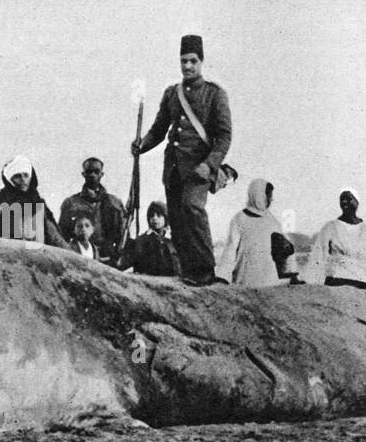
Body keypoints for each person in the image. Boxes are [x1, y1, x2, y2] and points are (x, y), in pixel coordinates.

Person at [131, 34, 232, 285]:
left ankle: (205, 269)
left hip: (198, 168)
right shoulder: (171, 94)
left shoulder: (214, 94)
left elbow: (224, 137)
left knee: (193, 209)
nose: (187, 66)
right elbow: (159, 129)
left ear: (201, 62)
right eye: (183, 61)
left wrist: (209, 165)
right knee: (176, 217)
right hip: (174, 168)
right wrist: (141, 145)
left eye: (193, 61)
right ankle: (188, 269)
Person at [300, 189, 366, 289]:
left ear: (357, 202)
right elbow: (319, 254)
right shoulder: (330, 227)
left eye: (349, 198)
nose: (344, 202)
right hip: (339, 275)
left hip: (363, 274)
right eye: (342, 199)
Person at [0, 156, 67, 248]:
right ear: (9, 180)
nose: (23, 180)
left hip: (38, 257)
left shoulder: (39, 203)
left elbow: (55, 237)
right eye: (17, 176)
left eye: (26, 175)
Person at [219, 178, 286, 287]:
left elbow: (283, 251)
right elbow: (230, 249)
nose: (272, 199)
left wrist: (291, 275)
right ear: (259, 195)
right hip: (246, 278)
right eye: (268, 195)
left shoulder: (273, 221)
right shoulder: (240, 219)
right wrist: (223, 277)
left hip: (270, 280)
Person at [59, 158, 126, 264]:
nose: (93, 175)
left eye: (96, 172)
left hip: (108, 259)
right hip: (80, 258)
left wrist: (117, 257)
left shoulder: (115, 203)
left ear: (102, 174)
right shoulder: (71, 204)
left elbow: (123, 235)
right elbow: (62, 237)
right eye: (89, 172)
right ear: (83, 174)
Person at [118, 201, 180, 276]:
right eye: (152, 216)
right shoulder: (141, 241)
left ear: (165, 217)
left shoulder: (173, 240)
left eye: (159, 215)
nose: (154, 218)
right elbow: (127, 263)